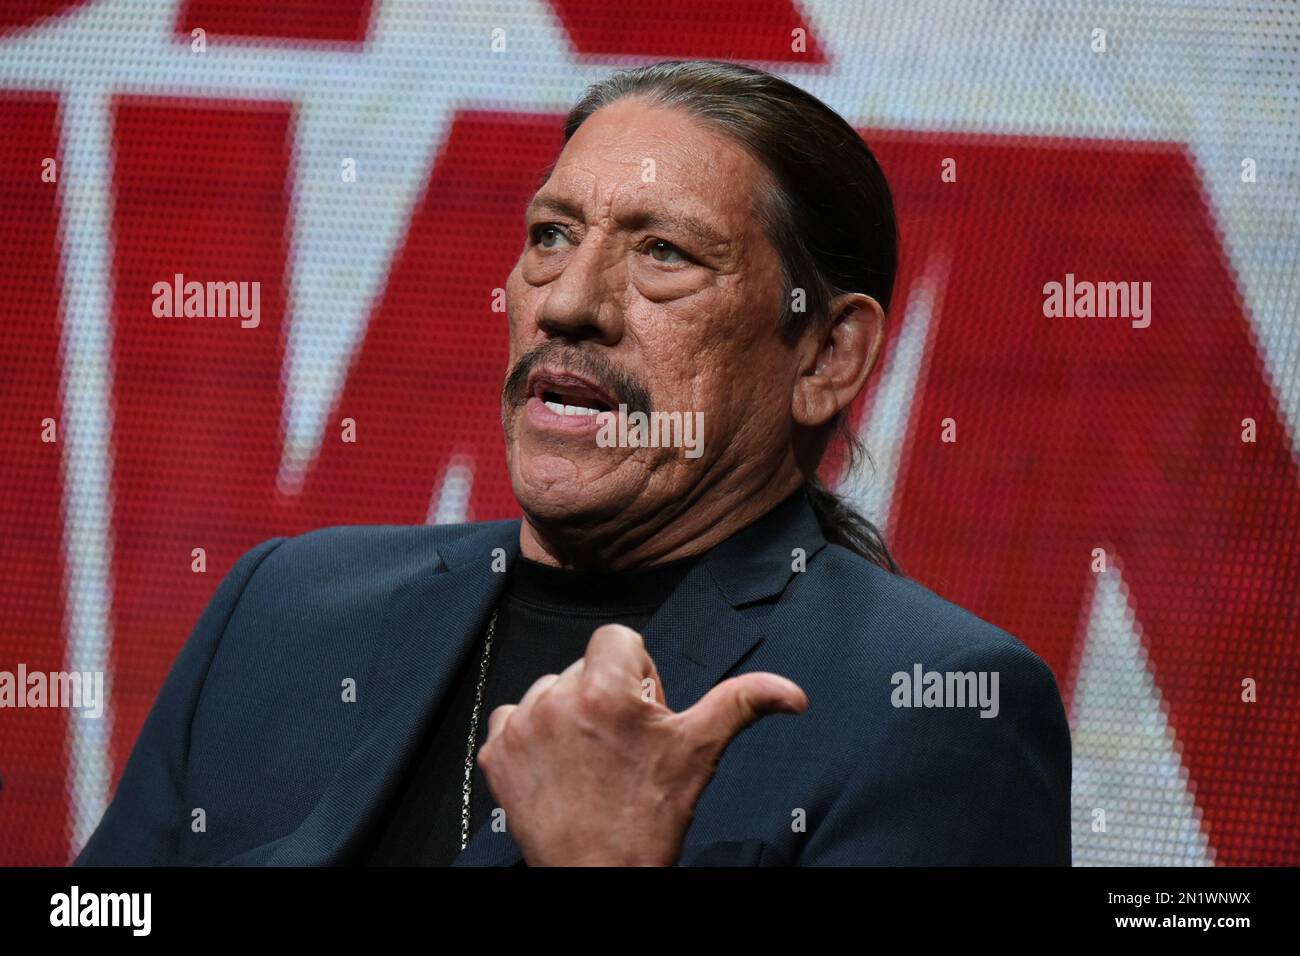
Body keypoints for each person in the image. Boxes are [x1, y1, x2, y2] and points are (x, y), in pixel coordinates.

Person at [77, 59, 1070, 867]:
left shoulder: (934, 706)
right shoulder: (284, 604)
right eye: (552, 235)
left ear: (824, 355)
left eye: (665, 253)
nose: (568, 301)